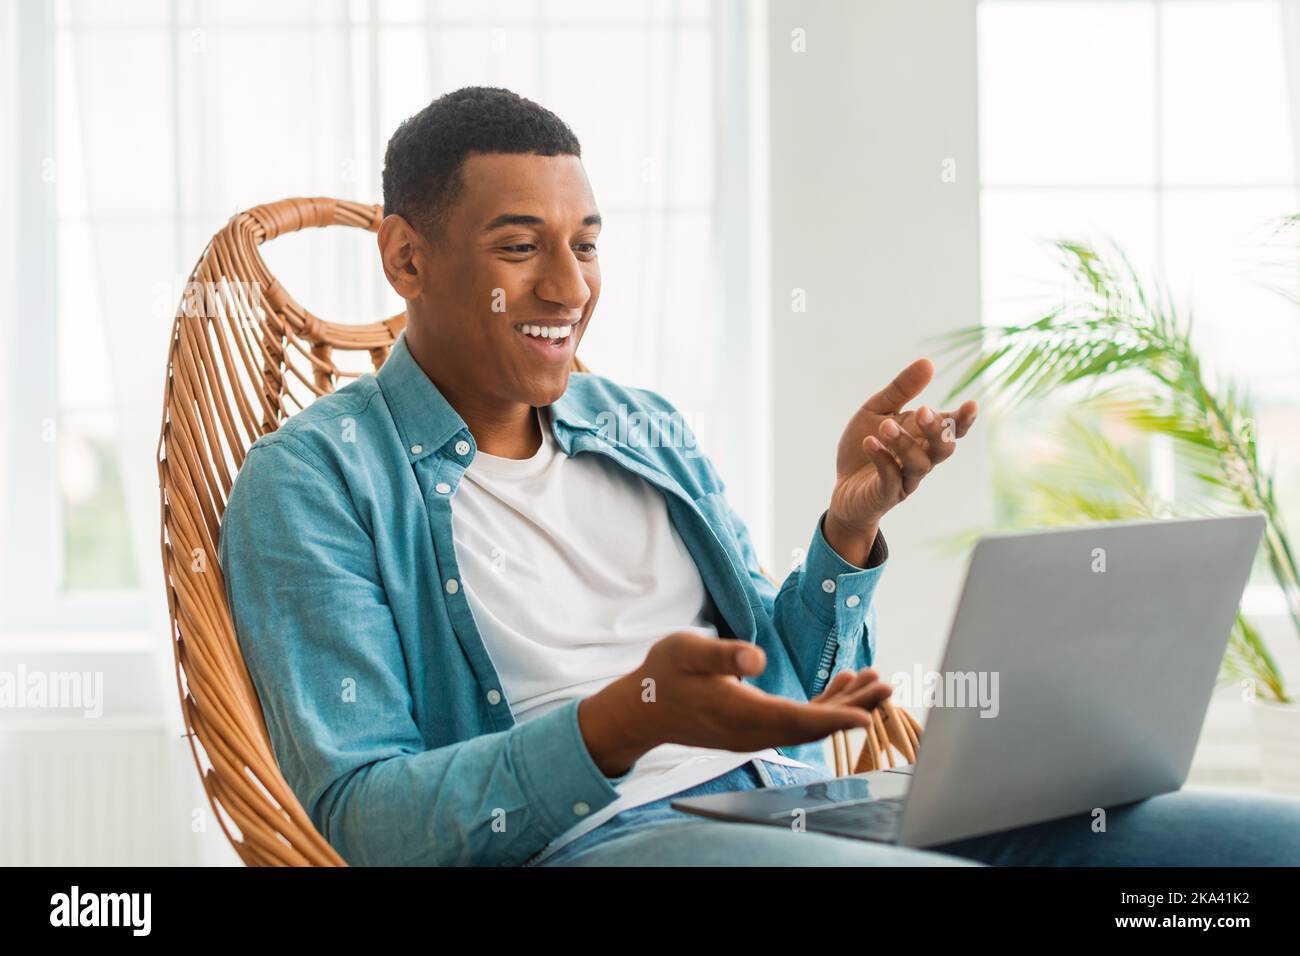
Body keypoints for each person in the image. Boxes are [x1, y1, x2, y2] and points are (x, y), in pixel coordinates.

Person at [220, 86, 1300, 867]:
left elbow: (778, 681)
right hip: (610, 837)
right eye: (519, 246)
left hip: (806, 807)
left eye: (586, 243)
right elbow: (364, 817)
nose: (567, 284)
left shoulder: (640, 426)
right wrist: (628, 716)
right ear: (407, 257)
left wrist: (845, 531)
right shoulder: (315, 482)